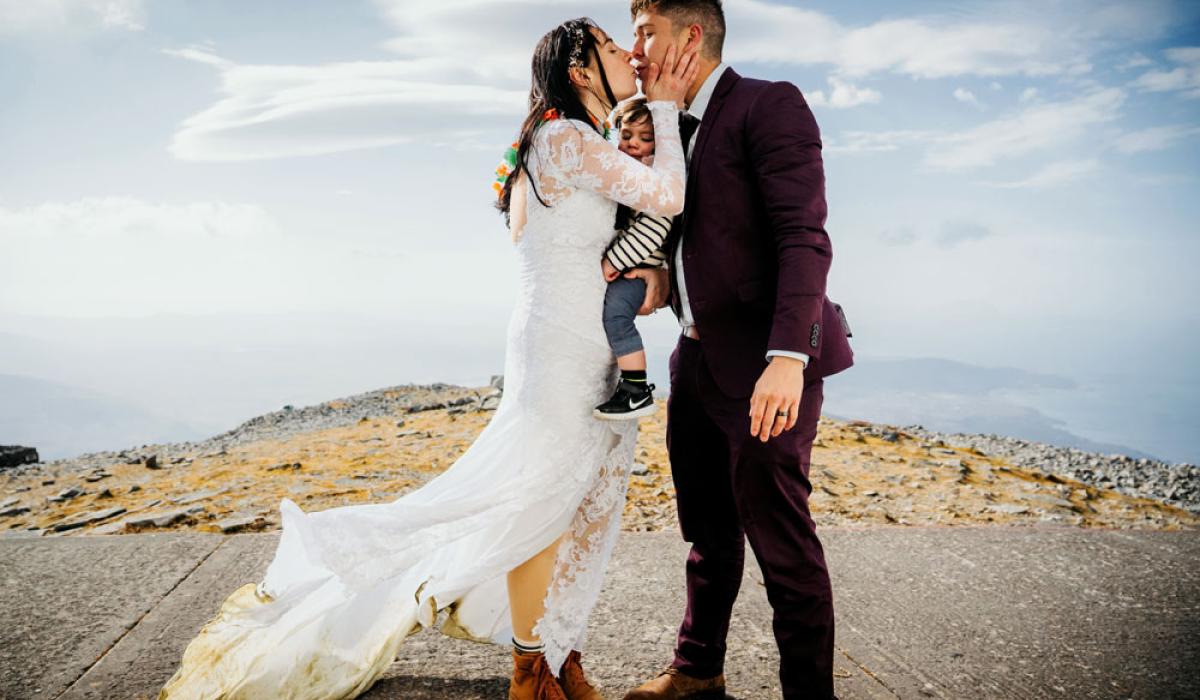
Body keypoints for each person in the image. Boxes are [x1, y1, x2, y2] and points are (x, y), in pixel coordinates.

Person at [156, 17, 699, 700]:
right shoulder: (563, 138)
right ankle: (530, 671)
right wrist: (667, 112)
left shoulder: (576, 139)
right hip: (561, 350)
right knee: (541, 509)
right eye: (613, 48)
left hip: (589, 348)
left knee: (586, 509)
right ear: (582, 70)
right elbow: (668, 197)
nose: (626, 55)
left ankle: (561, 654)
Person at [617, 2, 855, 699]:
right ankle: (698, 672)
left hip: (767, 366)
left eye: (646, 31)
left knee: (784, 546)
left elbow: (803, 236)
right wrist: (663, 272)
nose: (634, 49)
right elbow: (690, 228)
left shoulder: (768, 104)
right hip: (694, 358)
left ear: (691, 36)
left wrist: (788, 358)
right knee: (707, 531)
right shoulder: (663, 123)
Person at [594, 97, 674, 420]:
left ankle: (636, 388)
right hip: (632, 265)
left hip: (643, 267)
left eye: (645, 138)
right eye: (626, 136)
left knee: (616, 314)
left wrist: (611, 262)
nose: (633, 144)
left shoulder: (657, 179)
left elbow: (652, 231)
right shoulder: (628, 173)